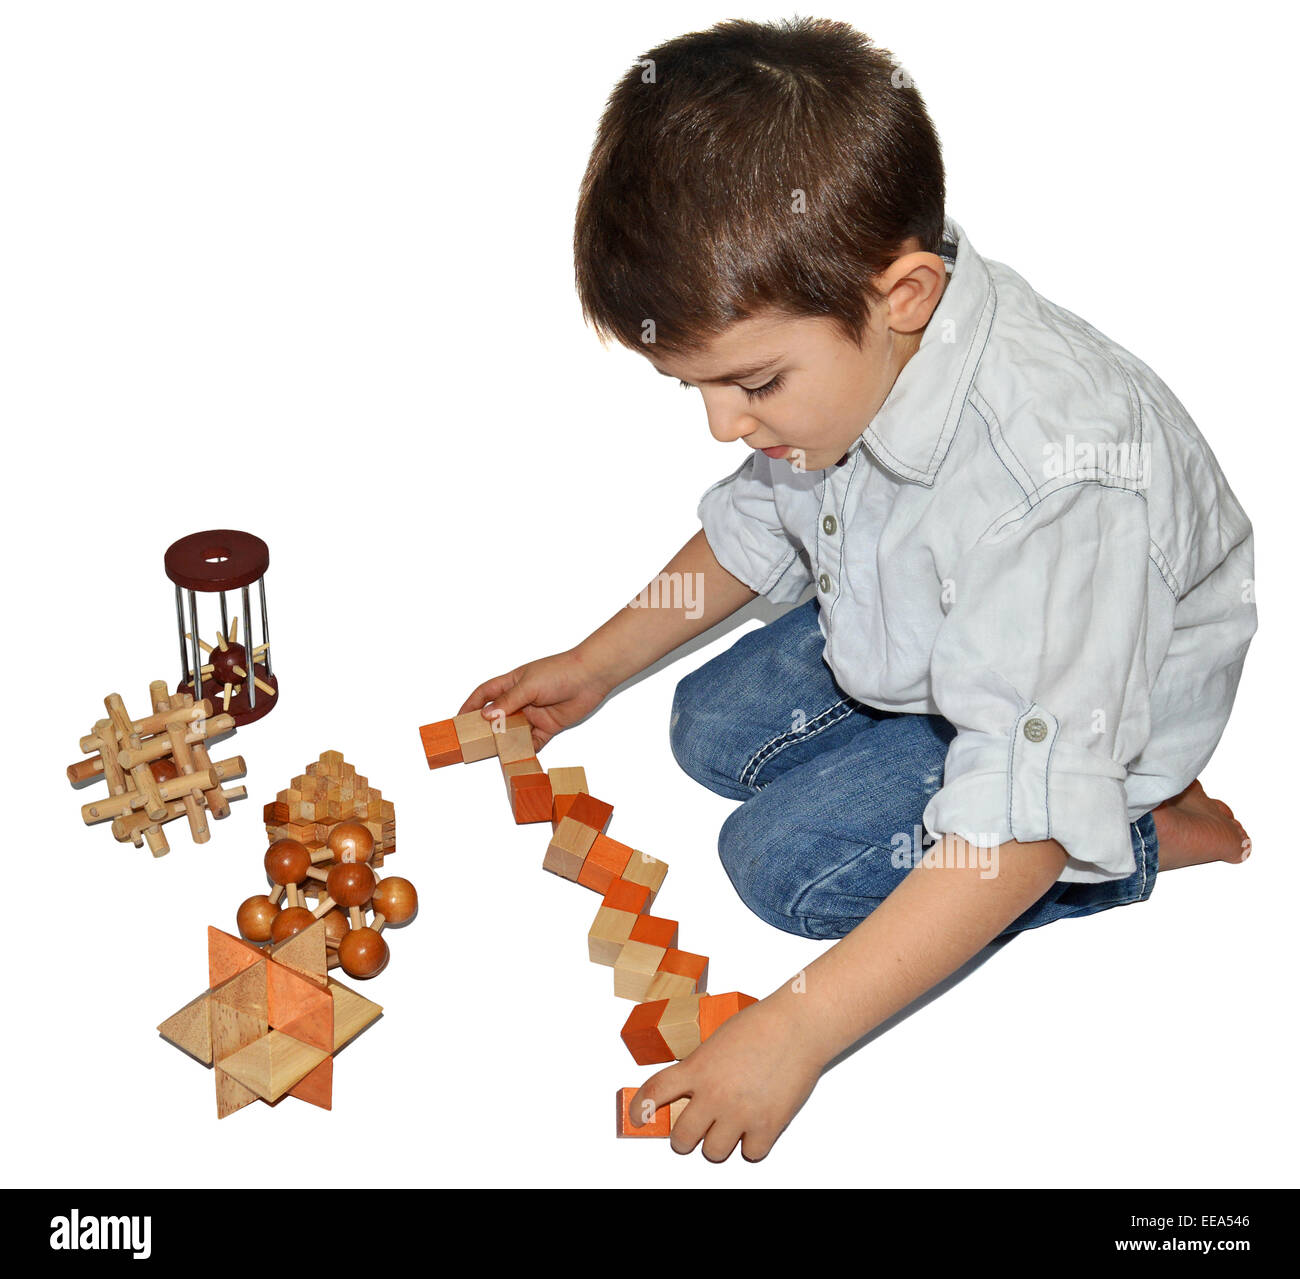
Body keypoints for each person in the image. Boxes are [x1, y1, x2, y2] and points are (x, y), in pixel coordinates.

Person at [460, 16, 1257, 1162]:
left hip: (1068, 695)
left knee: (780, 869)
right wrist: (594, 664)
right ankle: (962, 741)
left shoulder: (1051, 487)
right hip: (931, 617)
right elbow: (755, 531)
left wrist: (794, 1033)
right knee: (701, 728)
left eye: (751, 385)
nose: (722, 426)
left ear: (905, 295)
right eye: (697, 390)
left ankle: (1142, 831)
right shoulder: (849, 362)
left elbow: (1014, 832)